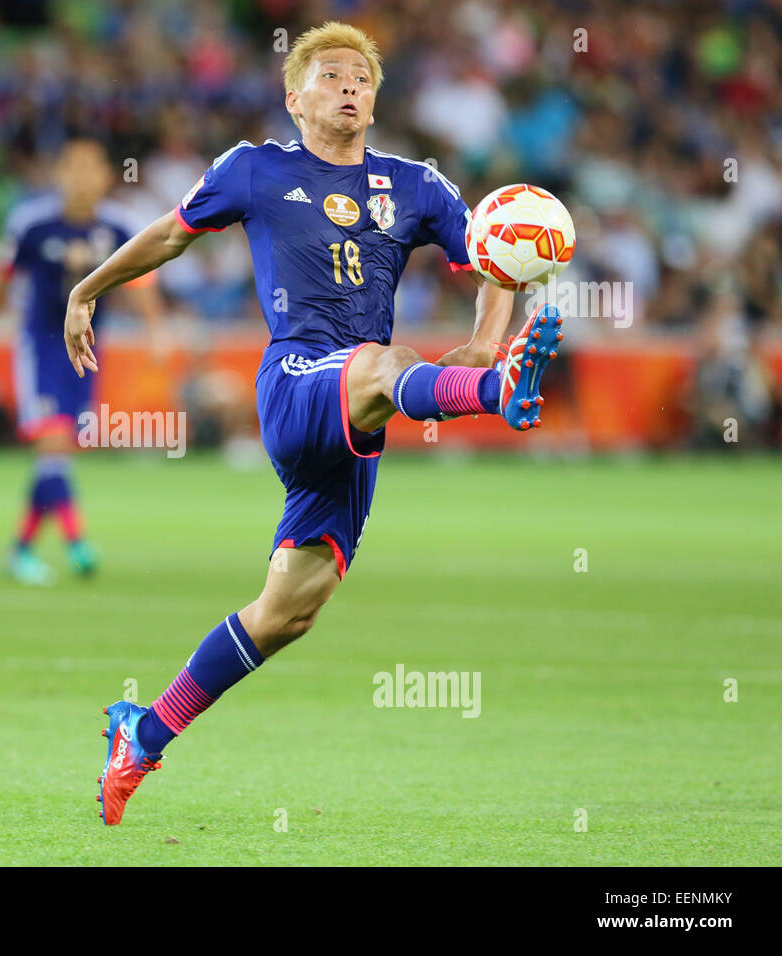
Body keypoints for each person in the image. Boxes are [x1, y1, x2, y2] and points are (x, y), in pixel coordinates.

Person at [63, 22, 565, 824]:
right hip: (299, 380)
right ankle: (500, 398)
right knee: (383, 359)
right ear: (296, 98)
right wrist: (87, 289)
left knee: (289, 609)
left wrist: (483, 339)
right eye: (331, 76)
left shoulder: (417, 184)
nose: (349, 88)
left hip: (359, 423)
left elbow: (494, 258)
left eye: (362, 78)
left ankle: (144, 731)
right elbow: (167, 236)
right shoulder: (253, 169)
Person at [0, 139, 163, 585]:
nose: (81, 177)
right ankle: (77, 544)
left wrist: (156, 334)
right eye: (72, 168)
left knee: (55, 453)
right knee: (53, 443)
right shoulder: (32, 225)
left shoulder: (118, 227)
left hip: (88, 351)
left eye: (90, 169)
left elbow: (143, 283)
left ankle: (20, 550)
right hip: (40, 348)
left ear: (105, 177)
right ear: (59, 174)